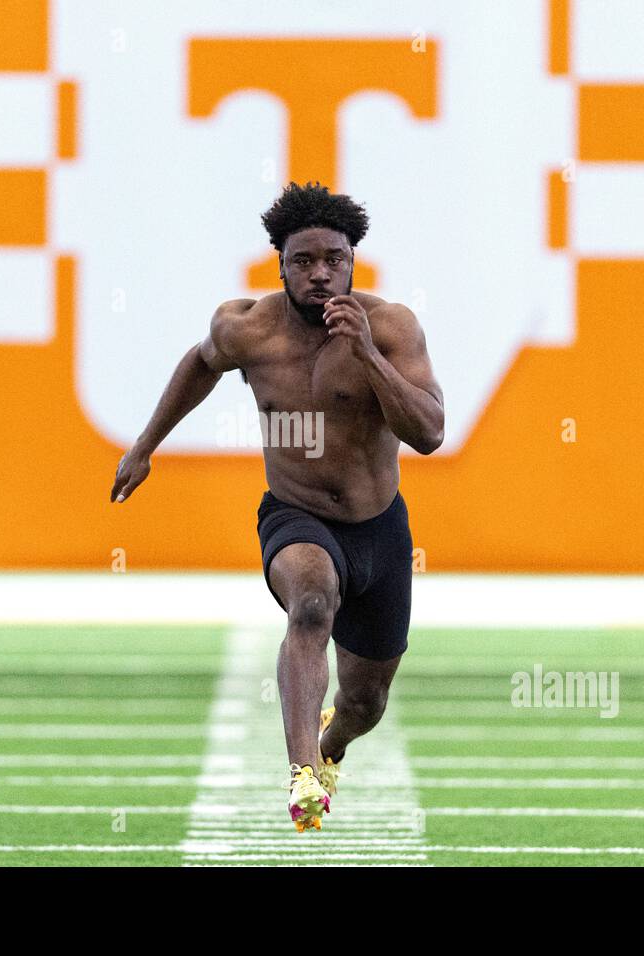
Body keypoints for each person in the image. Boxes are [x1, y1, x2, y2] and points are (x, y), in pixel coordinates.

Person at [110, 181, 444, 829]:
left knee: (365, 703)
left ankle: (331, 744)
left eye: (334, 260)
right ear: (279, 263)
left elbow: (429, 434)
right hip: (295, 515)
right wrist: (145, 445)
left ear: (353, 261)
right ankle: (301, 774)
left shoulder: (393, 326)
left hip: (378, 529)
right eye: (304, 262)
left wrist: (367, 355)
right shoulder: (247, 329)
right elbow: (201, 365)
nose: (321, 275)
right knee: (312, 601)